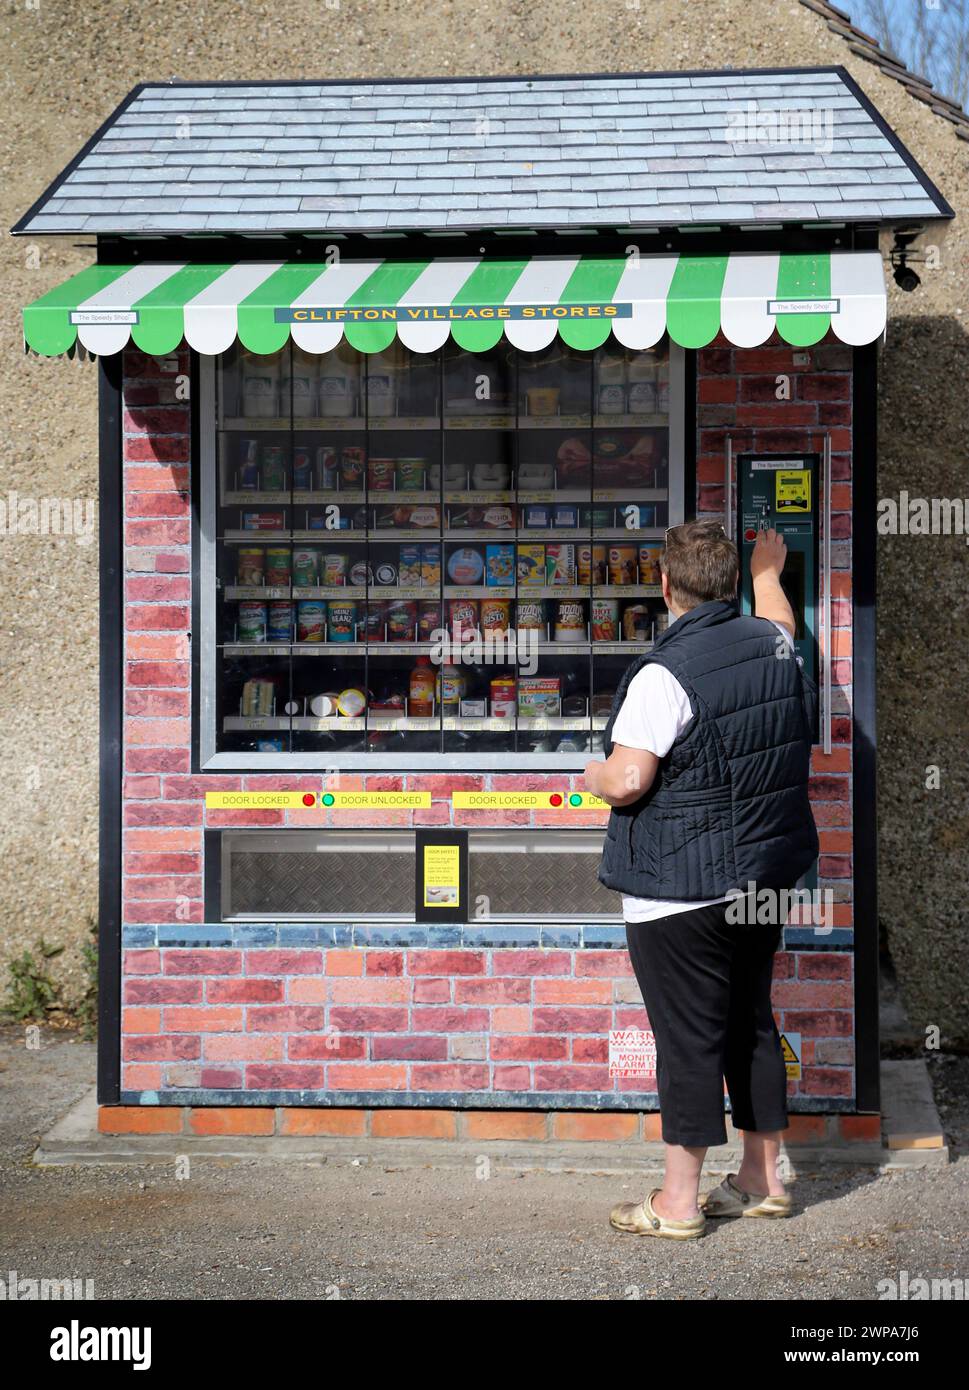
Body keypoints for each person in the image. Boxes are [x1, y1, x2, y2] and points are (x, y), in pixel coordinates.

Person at [583, 520, 819, 1240]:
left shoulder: (664, 672)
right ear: (729, 586)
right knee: (750, 1023)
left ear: (664, 586)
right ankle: (762, 1180)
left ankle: (678, 1204)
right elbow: (779, 618)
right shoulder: (773, 643)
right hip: (760, 880)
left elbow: (629, 779)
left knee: (687, 1041)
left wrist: (591, 773)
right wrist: (768, 573)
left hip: (680, 891)